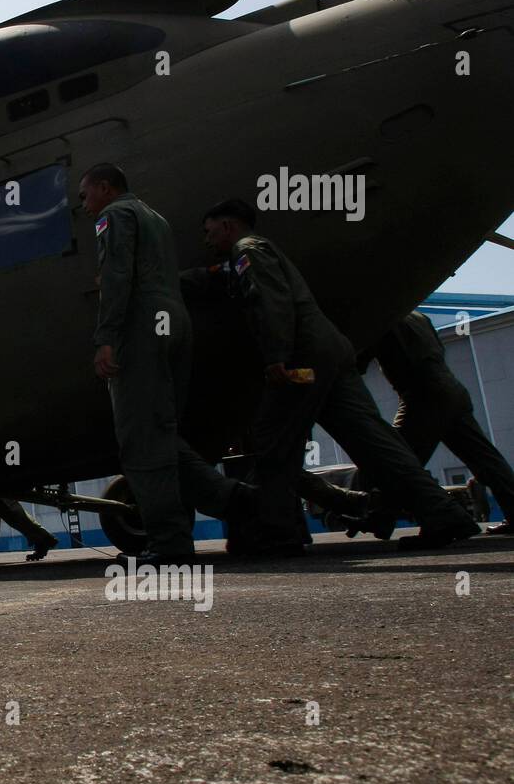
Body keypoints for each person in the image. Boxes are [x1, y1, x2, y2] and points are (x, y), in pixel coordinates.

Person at [197, 199, 479, 553]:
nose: (208, 241)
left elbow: (272, 302)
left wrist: (277, 356)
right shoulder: (257, 252)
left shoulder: (247, 249)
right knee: (377, 444)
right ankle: (443, 513)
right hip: (331, 354)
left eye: (210, 232)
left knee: (274, 440)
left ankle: (277, 533)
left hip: (303, 362)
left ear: (228, 226)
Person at [80, 163, 242, 565]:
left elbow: (118, 275)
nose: (82, 204)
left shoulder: (114, 215)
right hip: (174, 322)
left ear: (105, 187)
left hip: (141, 327)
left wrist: (106, 338)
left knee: (141, 441)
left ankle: (169, 542)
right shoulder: (155, 217)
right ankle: (242, 504)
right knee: (163, 432)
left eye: (85, 195)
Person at [360, 311, 514, 537]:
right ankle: (383, 517)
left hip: (421, 395)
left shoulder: (378, 317)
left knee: (396, 460)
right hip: (451, 388)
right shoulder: (418, 315)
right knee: (486, 460)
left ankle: (421, 519)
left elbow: (357, 362)